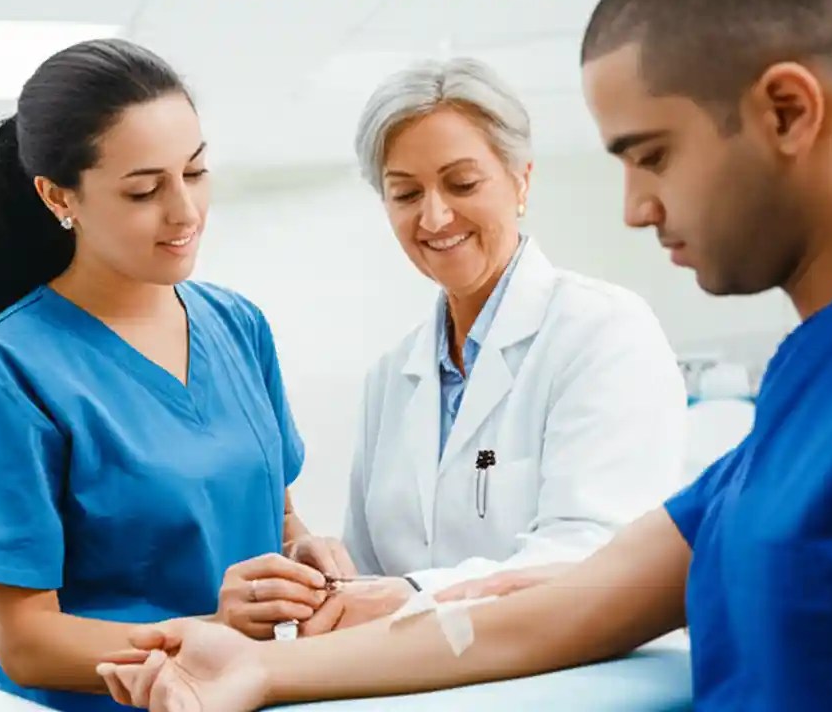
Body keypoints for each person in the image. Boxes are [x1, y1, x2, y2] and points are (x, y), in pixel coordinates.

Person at [95, 0, 832, 708]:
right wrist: (265, 659)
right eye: (404, 193)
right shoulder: (804, 389)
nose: (634, 209)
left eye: (652, 155)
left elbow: (579, 568)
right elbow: (565, 603)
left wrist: (400, 598)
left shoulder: (621, 333)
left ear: (788, 112)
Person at [0, 39, 342, 712]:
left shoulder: (238, 326)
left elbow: (274, 513)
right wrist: (212, 634)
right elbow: (25, 641)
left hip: (255, 695)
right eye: (144, 190)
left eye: (195, 174)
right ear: (60, 197)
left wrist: (303, 556)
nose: (185, 213)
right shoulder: (1, 373)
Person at [285, 57, 686, 634]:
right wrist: (325, 587)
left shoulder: (603, 332)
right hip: (414, 687)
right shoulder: (391, 378)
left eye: (462, 183)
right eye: (405, 193)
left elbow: (593, 560)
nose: (435, 215)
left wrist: (412, 597)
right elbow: (370, 575)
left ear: (521, 180)